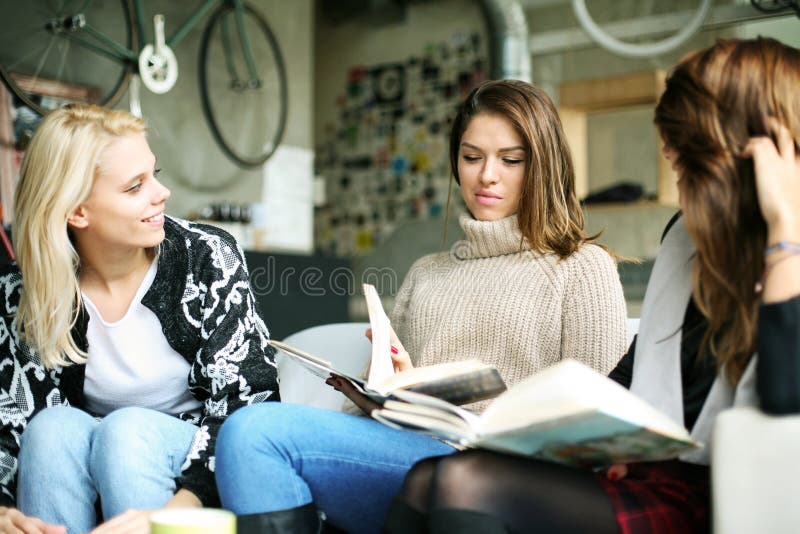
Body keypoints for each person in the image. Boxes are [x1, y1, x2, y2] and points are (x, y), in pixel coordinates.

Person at [383, 37, 800, 534]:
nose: (667, 152)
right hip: (647, 472)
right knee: (428, 477)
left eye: (686, 144)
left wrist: (785, 230)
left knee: (460, 480)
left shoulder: (786, 247)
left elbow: (785, 396)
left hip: (716, 490)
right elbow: (637, 371)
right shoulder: (689, 238)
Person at [214, 79, 628, 533]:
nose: (487, 175)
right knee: (248, 429)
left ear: (544, 166)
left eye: (511, 160)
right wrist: (379, 393)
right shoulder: (426, 273)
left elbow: (601, 425)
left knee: (254, 432)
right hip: (406, 459)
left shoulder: (582, 268)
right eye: (471, 157)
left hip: (504, 480)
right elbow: (386, 410)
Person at [0, 104, 279, 534]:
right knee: (50, 430)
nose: (161, 193)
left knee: (126, 431)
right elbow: (8, 421)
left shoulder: (207, 257)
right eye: (135, 187)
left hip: (198, 468)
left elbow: (251, 404)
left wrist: (178, 510)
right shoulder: (23, 291)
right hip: (89, 457)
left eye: (154, 173)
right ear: (78, 212)